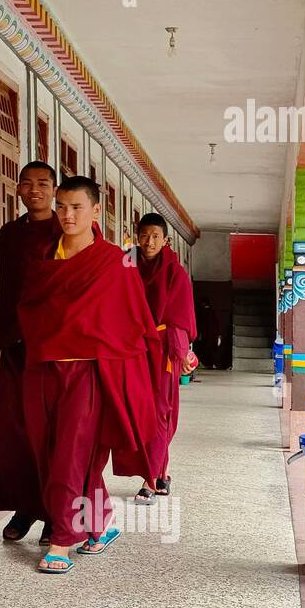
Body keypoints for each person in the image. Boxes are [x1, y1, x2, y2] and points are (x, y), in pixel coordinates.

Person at [16, 176, 159, 575]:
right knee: (49, 452)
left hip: (90, 374)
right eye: (61, 206)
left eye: (76, 207)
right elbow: (29, 311)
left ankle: (63, 538)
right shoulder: (45, 257)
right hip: (44, 369)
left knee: (71, 454)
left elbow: (134, 324)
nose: (67, 215)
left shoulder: (116, 262)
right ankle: (101, 522)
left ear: (96, 211)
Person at [0, 161, 61, 544]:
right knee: (6, 430)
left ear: (55, 189)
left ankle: (51, 512)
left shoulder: (66, 231)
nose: (34, 190)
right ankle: (25, 505)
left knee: (49, 431)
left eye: (42, 184)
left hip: (53, 344)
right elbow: (8, 288)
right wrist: (0, 338)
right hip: (14, 342)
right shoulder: (9, 233)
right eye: (26, 184)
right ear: (18, 190)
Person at [131, 214, 197, 503]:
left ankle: (150, 477)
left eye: (156, 236)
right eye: (144, 235)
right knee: (138, 413)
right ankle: (161, 473)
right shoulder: (126, 264)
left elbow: (180, 318)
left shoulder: (174, 272)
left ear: (166, 240)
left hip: (163, 350)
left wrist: (181, 352)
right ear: (136, 237)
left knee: (160, 413)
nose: (149, 242)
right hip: (132, 349)